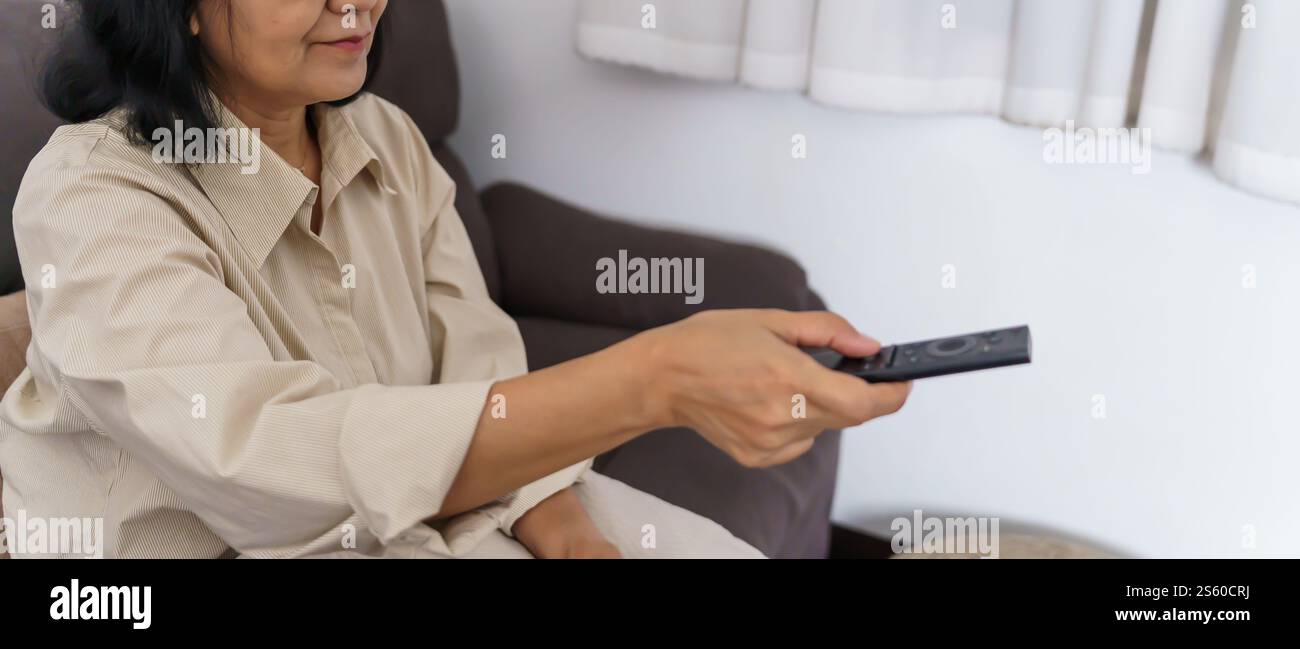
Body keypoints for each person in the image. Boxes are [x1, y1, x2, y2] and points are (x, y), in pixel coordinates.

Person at [0, 0, 909, 559]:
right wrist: (655, 379)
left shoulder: (387, 137)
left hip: (414, 515)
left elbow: (478, 361)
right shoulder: (92, 198)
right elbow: (272, 467)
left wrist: (559, 518)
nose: (360, 4)